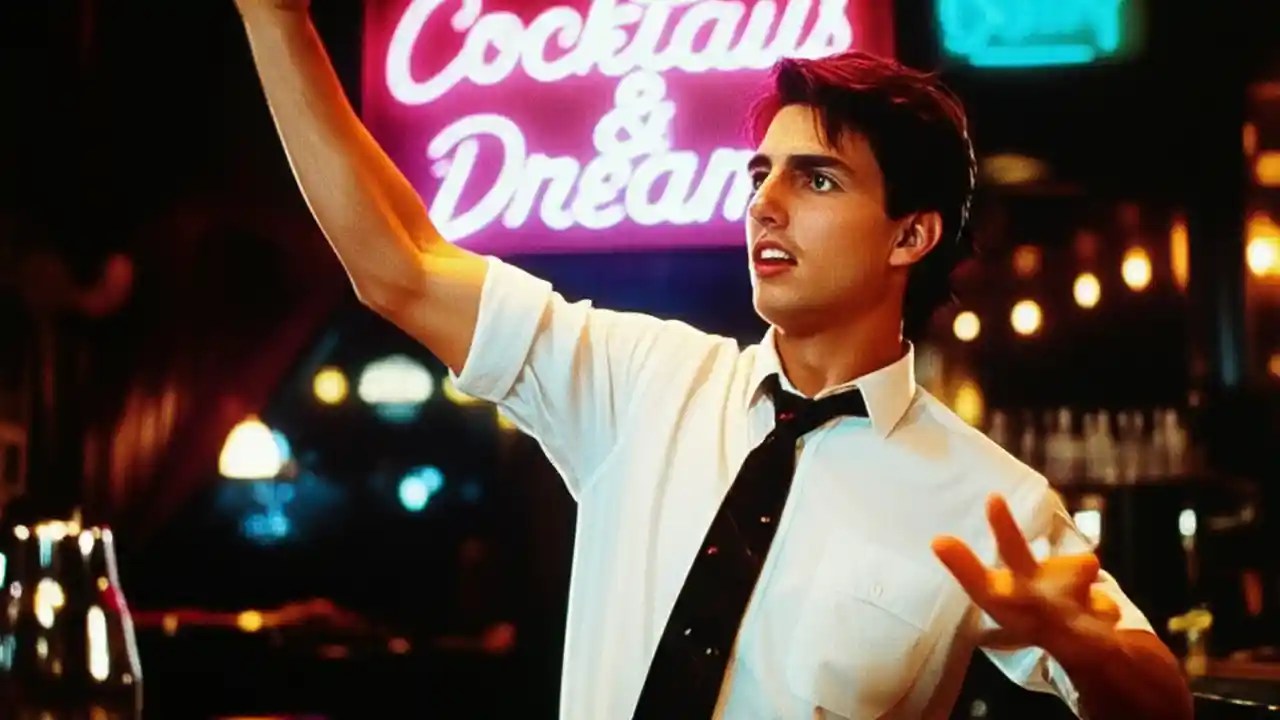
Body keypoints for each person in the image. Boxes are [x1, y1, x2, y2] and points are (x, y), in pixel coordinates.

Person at [233, 1, 1193, 718]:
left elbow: (1162, 705)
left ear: (911, 236)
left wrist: (1083, 649)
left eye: (816, 179)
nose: (765, 204)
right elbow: (397, 266)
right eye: (759, 174)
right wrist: (272, 16)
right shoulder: (641, 381)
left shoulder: (992, 501)